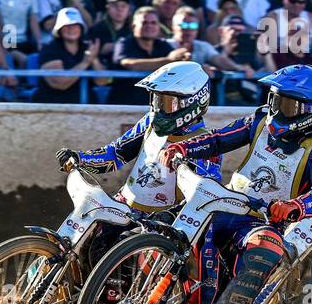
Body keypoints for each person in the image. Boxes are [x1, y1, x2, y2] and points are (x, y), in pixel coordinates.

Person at [158, 64, 312, 304]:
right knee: (158, 223)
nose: (277, 109)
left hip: (264, 220)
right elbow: (219, 138)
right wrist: (185, 149)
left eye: (287, 105)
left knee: (266, 248)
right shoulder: (259, 120)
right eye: (274, 99)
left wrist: (296, 206)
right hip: (223, 204)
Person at [56, 60, 221, 216]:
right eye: (157, 100)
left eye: (168, 102)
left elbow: (202, 198)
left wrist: (170, 217)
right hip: (123, 206)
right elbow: (116, 154)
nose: (159, 108)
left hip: (163, 223)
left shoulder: (205, 142)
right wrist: (80, 158)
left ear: (193, 102)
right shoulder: (150, 121)